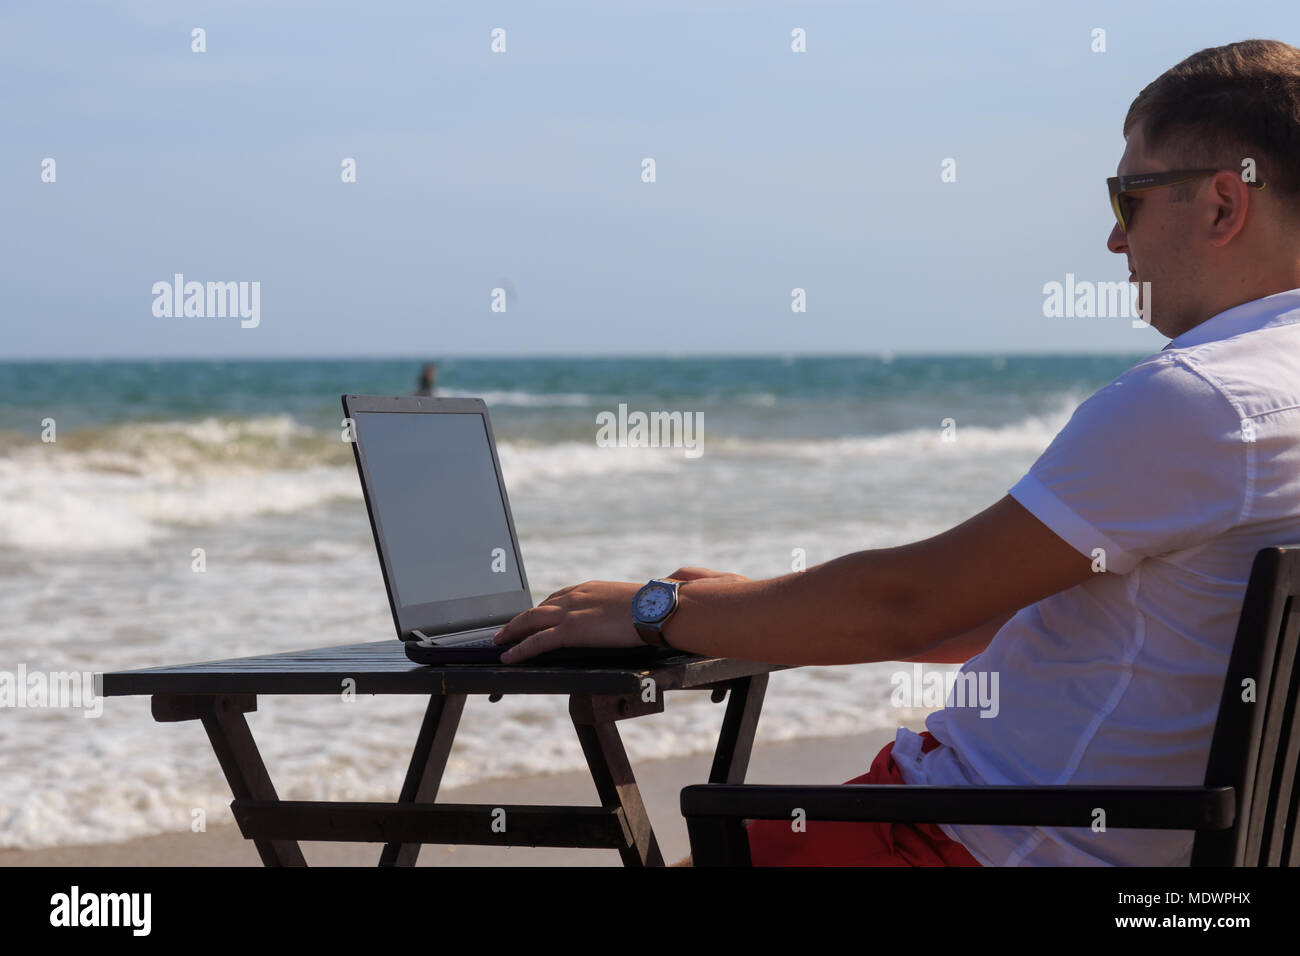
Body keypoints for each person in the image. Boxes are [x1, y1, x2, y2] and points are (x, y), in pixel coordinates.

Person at [491, 39, 1300, 866]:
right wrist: (744, 603)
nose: (1112, 241)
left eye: (1128, 199)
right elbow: (984, 610)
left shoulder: (1201, 399)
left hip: (978, 840)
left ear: (1222, 205)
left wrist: (653, 613)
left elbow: (908, 603)